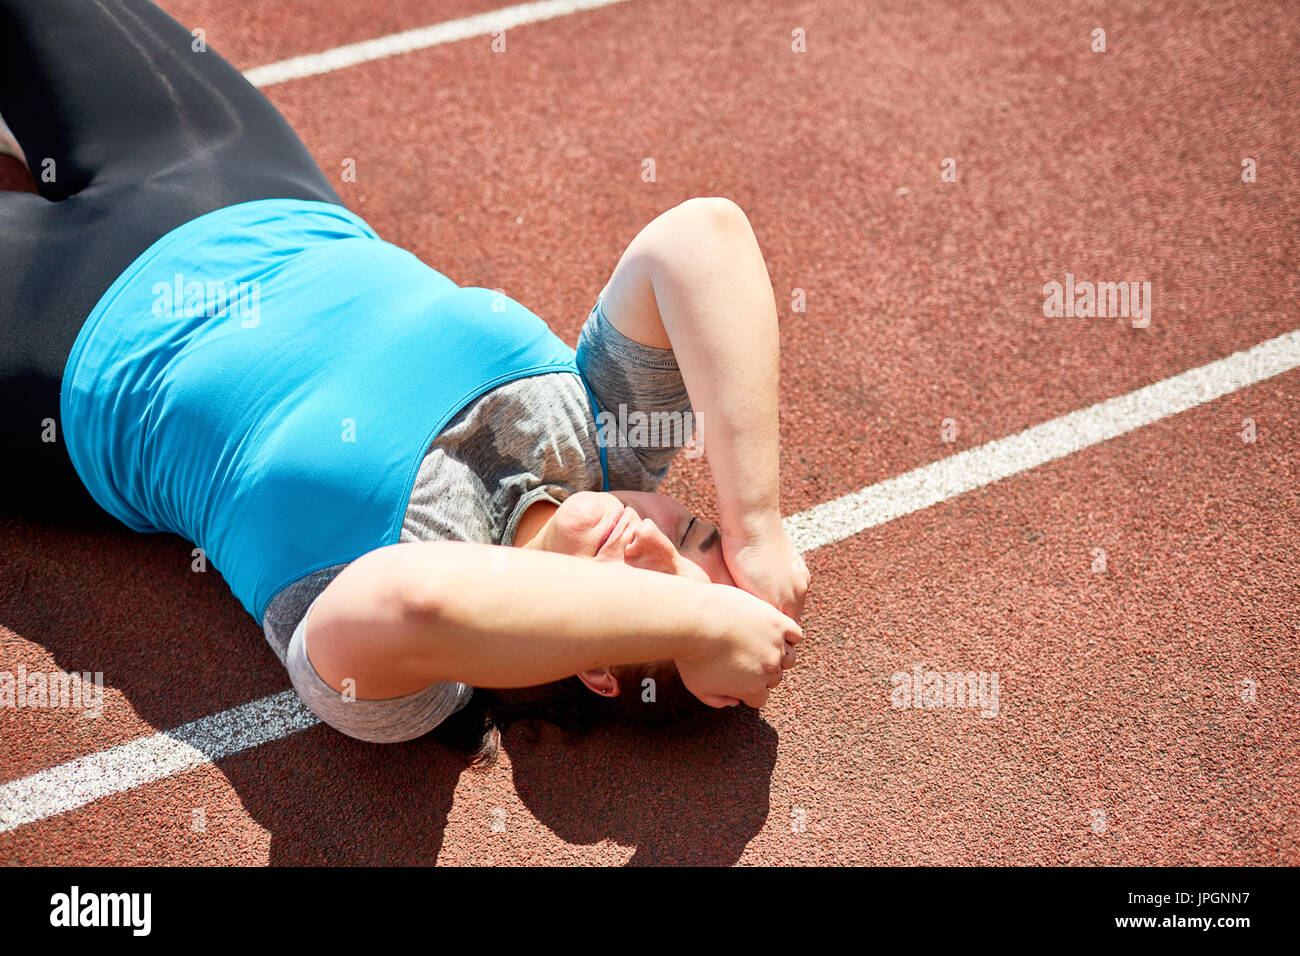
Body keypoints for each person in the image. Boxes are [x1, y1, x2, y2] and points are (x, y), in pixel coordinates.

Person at [0, 0, 809, 768]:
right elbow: (700, 237)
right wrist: (757, 528)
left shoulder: (420, 687)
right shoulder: (609, 441)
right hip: (237, 185)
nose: (648, 538)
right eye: (693, 532)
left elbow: (408, 600)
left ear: (597, 665)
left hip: (61, 342)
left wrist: (706, 617)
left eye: (657, 585)